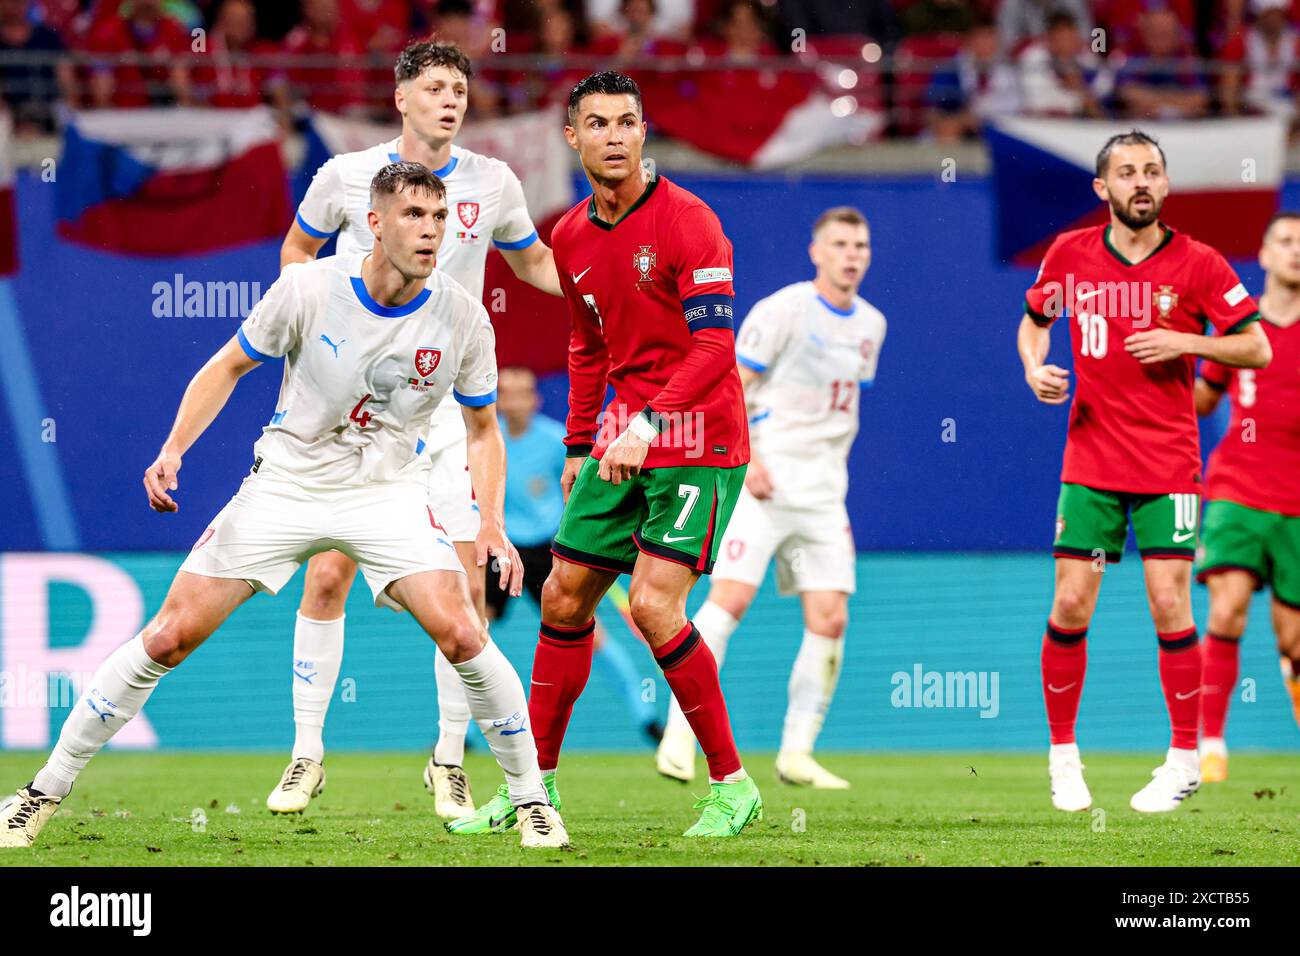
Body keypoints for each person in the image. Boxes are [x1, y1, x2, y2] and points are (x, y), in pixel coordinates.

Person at [0, 163, 568, 850]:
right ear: (377, 223)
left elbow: (482, 429)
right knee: (168, 636)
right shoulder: (308, 289)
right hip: (286, 485)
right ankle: (40, 793)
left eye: (440, 217)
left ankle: (532, 800)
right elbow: (227, 366)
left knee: (464, 633)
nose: (430, 231)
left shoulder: (463, 315)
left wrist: (492, 524)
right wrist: (173, 450)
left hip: (386, 492)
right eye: (415, 216)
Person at [449, 70, 762, 839]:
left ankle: (733, 786)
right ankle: (535, 791)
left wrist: (648, 424)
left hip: (696, 439)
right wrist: (580, 444)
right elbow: (586, 346)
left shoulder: (691, 222)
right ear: (572, 138)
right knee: (561, 600)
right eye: (598, 124)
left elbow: (716, 345)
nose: (614, 136)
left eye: (627, 122)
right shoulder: (572, 236)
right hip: (620, 441)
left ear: (643, 133)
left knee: (654, 605)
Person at [269, 40, 563, 820]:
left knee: (467, 589)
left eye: (460, 88)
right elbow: (299, 247)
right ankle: (305, 754)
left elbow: (533, 261)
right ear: (401, 97)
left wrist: (603, 292)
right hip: (351, 411)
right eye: (434, 86)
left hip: (438, 409)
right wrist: (303, 330)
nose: (450, 99)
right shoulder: (344, 175)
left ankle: (446, 759)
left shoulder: (494, 181)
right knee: (326, 575)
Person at [1019, 130, 1272, 814]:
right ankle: (1063, 758)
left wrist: (1185, 340)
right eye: (1126, 172)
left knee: (1169, 603)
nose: (1141, 181)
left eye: (1152, 171)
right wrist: (1033, 367)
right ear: (1101, 188)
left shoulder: (1200, 263)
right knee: (1071, 604)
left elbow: (1257, 345)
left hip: (1167, 463)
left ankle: (1185, 759)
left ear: (1165, 185)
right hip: (1092, 458)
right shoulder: (1070, 255)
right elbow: (1034, 319)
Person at [655, 206, 885, 788]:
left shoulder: (871, 325)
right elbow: (731, 383)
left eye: (860, 245)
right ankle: (680, 736)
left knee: (830, 617)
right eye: (839, 244)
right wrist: (749, 456)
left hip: (823, 494)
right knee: (728, 601)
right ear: (816, 251)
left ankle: (797, 753)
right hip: (763, 482)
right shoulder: (784, 310)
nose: (851, 254)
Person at [487, 366, 663, 743]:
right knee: (472, 636)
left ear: (535, 400)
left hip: (547, 549)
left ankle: (647, 719)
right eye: (507, 392)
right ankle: (466, 737)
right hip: (501, 547)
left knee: (589, 634)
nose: (513, 400)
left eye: (522, 392)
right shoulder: (487, 441)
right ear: (497, 398)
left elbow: (575, 492)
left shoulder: (555, 443)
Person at [1194, 212, 1300, 782]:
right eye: (1286, 241)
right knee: (1228, 606)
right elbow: (1204, 400)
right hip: (1236, 484)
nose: (1296, 252)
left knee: (1293, 637)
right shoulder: (1242, 329)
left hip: (1297, 500)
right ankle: (1211, 744)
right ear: (1263, 254)